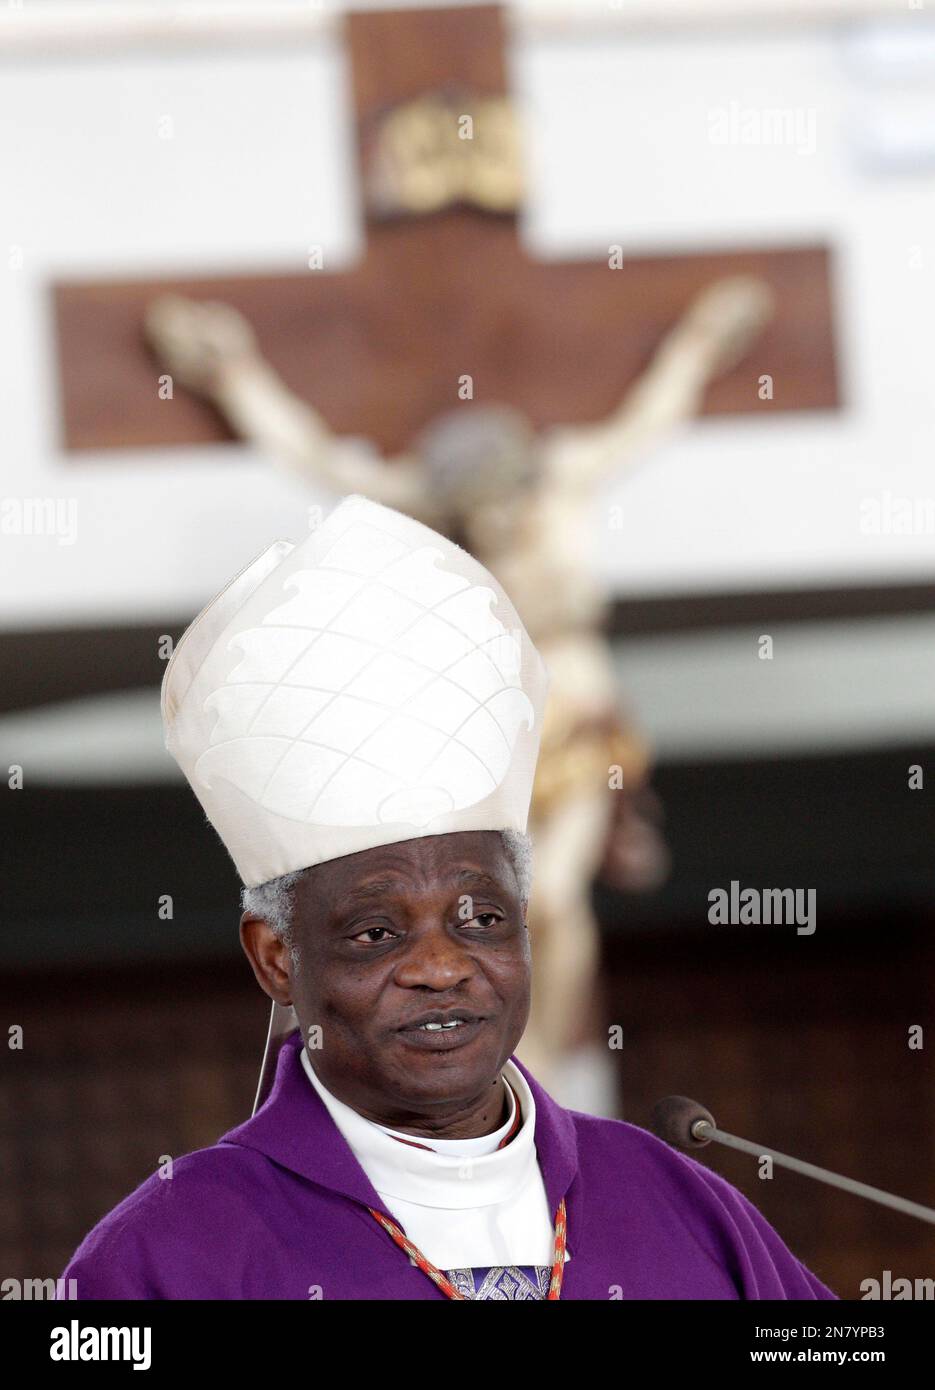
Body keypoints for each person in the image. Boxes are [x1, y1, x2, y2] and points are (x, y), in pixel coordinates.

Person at [58, 494, 837, 1300]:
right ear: (278, 958)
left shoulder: (678, 1204)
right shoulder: (174, 1252)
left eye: (483, 920)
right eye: (374, 934)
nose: (441, 968)